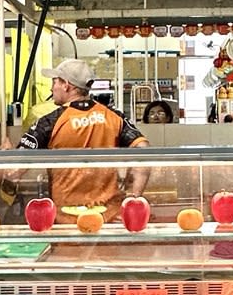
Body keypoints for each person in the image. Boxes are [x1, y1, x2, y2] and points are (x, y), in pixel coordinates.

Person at [16, 59, 150, 221]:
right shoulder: (114, 117)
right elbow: (144, 153)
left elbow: (16, 169)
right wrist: (133, 200)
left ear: (66, 85)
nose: (52, 88)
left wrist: (5, 154)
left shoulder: (49, 122)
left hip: (68, 219)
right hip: (107, 217)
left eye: (55, 81)